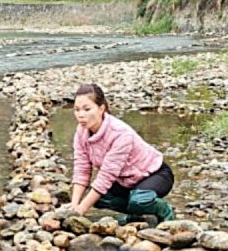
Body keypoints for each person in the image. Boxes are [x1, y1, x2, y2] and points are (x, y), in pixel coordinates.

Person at [68, 83, 175, 224]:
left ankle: (164, 209)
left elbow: (107, 175)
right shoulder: (81, 131)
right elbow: (82, 167)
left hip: (155, 174)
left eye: (87, 109)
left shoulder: (120, 133)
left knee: (139, 200)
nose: (81, 115)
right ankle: (136, 214)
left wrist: (82, 209)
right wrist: (74, 205)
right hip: (126, 181)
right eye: (77, 110)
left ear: (101, 108)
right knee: (100, 199)